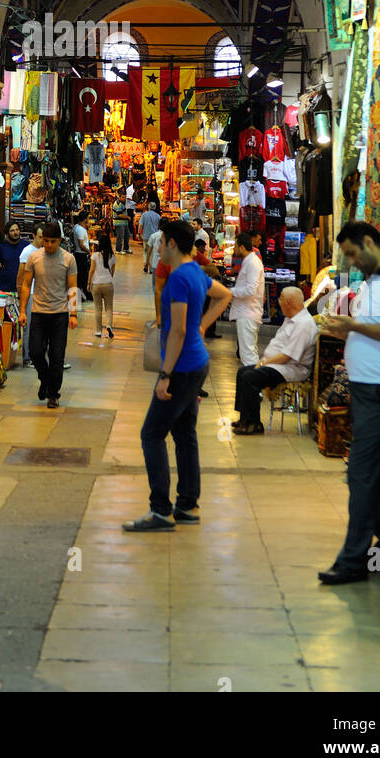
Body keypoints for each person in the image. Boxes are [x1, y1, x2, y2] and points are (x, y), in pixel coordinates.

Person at [318, 221, 380, 585]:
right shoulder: (375, 282)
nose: (351, 262)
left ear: (367, 242)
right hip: (368, 388)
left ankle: (354, 560)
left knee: (360, 473)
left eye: (351, 253)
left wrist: (353, 327)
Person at [123, 218, 231, 531]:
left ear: (171, 243)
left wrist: (165, 374)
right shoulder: (196, 271)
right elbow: (225, 295)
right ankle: (188, 505)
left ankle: (160, 510)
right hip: (197, 363)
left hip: (182, 367)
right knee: (185, 435)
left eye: (161, 242)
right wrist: (203, 325)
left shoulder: (180, 278)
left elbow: (179, 330)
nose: (157, 247)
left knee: (151, 434)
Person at [233, 286, 318, 434]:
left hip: (291, 368)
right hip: (279, 365)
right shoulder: (291, 319)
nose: (279, 303)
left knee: (250, 377)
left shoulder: (304, 324)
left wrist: (264, 363)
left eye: (281, 299)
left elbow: (288, 356)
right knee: (242, 372)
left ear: (289, 302)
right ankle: (245, 418)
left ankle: (253, 423)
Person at [19, 222, 78, 409]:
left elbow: (72, 287)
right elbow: (26, 284)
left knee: (57, 356)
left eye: (53, 241)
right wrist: (22, 310)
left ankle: (53, 394)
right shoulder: (34, 258)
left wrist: (73, 313)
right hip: (38, 312)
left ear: (59, 240)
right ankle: (45, 380)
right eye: (45, 241)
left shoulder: (69, 259)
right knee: (35, 352)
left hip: (60, 314)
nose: (49, 245)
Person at [228, 231, 265, 367]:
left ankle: (253, 379)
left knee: (248, 355)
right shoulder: (249, 261)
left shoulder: (253, 263)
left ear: (242, 247)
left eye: (235, 246)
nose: (234, 249)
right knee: (248, 352)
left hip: (248, 312)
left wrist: (229, 292)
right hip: (246, 312)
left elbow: (250, 290)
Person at [17, 224, 45, 366]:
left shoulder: (45, 251)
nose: (42, 240)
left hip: (42, 294)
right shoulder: (27, 252)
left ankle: (39, 356)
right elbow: (20, 276)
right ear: (34, 236)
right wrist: (20, 294)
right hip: (30, 293)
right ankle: (27, 358)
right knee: (29, 326)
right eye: (40, 237)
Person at [89, 232, 116, 339]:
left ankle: (98, 331)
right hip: (108, 283)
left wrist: (88, 282)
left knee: (97, 308)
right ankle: (109, 325)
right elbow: (112, 273)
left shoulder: (95, 255)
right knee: (109, 307)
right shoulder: (112, 257)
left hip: (96, 284)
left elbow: (91, 270)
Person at [0, 219, 24, 291]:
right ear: (7, 233)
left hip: (22, 286)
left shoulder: (26, 246)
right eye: (12, 231)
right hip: (5, 287)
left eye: (17, 230)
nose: (15, 232)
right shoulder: (1, 247)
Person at [72, 209, 91, 300]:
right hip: (81, 255)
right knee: (83, 276)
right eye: (88, 218)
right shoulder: (81, 230)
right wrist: (89, 251)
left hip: (78, 254)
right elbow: (81, 244)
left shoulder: (76, 227)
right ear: (85, 219)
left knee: (80, 276)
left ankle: (81, 295)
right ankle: (85, 294)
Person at [138, 200, 161, 272]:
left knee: (146, 251)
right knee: (153, 252)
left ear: (148, 207)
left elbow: (140, 225)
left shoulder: (144, 215)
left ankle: (145, 264)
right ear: (155, 207)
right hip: (154, 237)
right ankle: (151, 268)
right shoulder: (158, 216)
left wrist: (139, 233)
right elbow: (160, 227)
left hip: (146, 236)